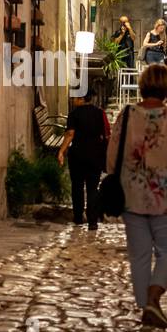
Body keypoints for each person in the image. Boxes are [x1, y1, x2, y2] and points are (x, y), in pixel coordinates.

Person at [107, 64, 167, 328]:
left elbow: (110, 158)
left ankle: (146, 306)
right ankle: (153, 299)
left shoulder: (126, 115)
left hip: (131, 198)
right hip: (165, 198)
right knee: (166, 251)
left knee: (139, 255)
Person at [57, 94, 109, 230]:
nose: (73, 100)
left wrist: (61, 151)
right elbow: (105, 134)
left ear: (81, 99)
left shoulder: (74, 114)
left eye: (75, 98)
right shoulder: (99, 113)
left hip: (78, 155)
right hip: (95, 155)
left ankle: (78, 218)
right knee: (93, 188)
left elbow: (70, 134)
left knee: (77, 186)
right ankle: (93, 221)